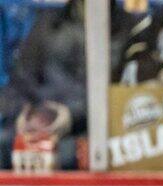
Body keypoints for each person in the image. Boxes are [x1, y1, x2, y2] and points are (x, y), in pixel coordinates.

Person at [0, 0, 133, 169]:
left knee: (76, 152)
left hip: (90, 127)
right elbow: (18, 83)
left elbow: (125, 94)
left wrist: (69, 116)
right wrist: (24, 114)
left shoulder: (128, 30)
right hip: (38, 119)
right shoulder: (47, 24)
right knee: (4, 141)